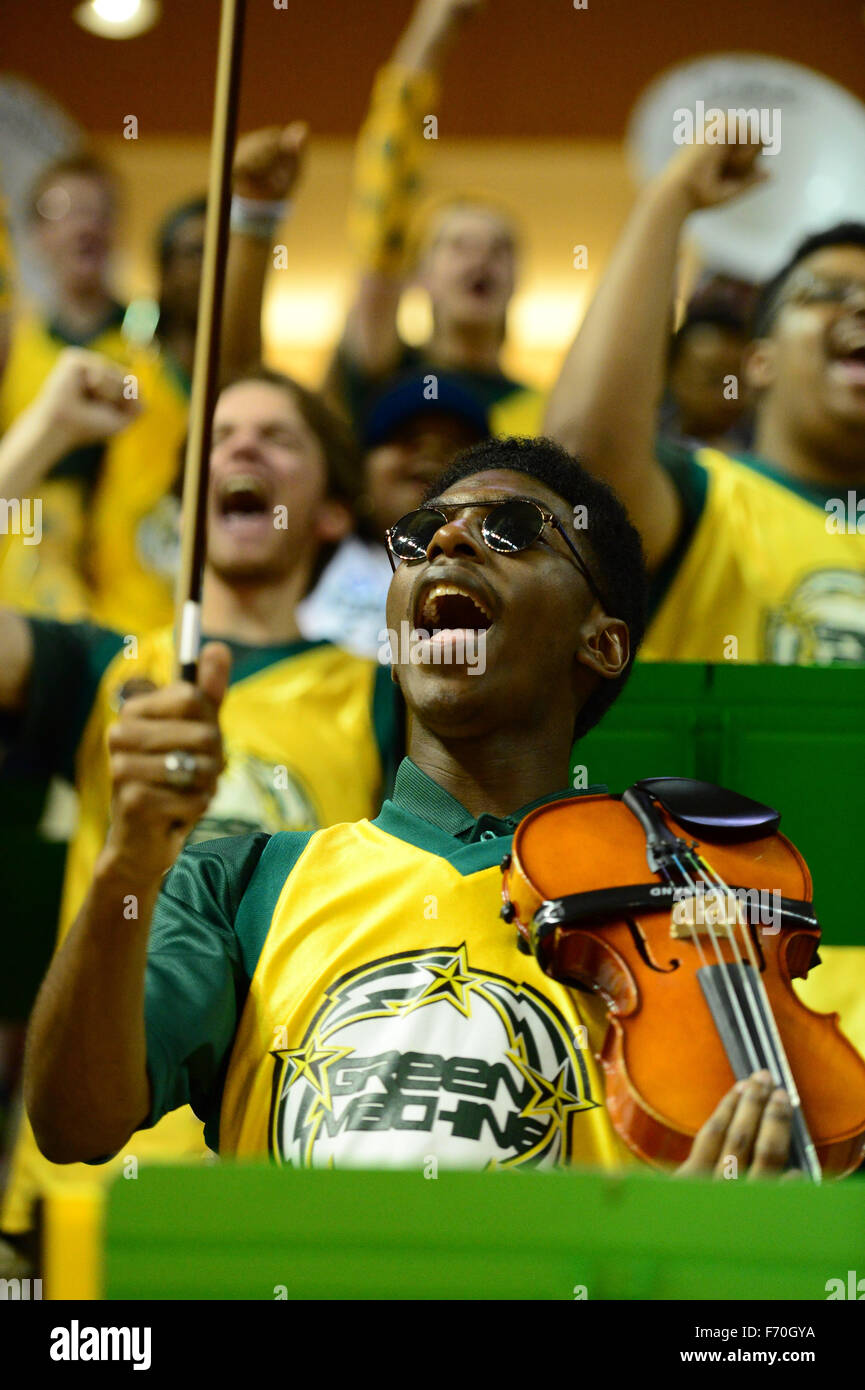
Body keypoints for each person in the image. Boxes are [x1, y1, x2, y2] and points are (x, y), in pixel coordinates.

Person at [25, 435, 804, 1178]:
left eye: (511, 530)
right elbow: (74, 1123)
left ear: (599, 643)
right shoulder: (240, 881)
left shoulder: (678, 897)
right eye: (421, 532)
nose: (448, 543)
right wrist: (128, 859)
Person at [0, 362, 400, 1236]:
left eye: (278, 436)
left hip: (275, 1178)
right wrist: (43, 434)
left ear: (330, 511)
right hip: (85, 1191)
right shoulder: (108, 667)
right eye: (218, 437)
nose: (243, 444)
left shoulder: (378, 698)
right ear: (185, 509)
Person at [544, 132, 865, 668]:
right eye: (828, 293)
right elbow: (582, 457)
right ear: (759, 363)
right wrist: (670, 200)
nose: (860, 308)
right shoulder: (700, 496)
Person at [297, 369, 490, 656]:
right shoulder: (310, 543)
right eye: (407, 439)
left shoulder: (501, 575)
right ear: (361, 468)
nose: (429, 454)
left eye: (453, 446)